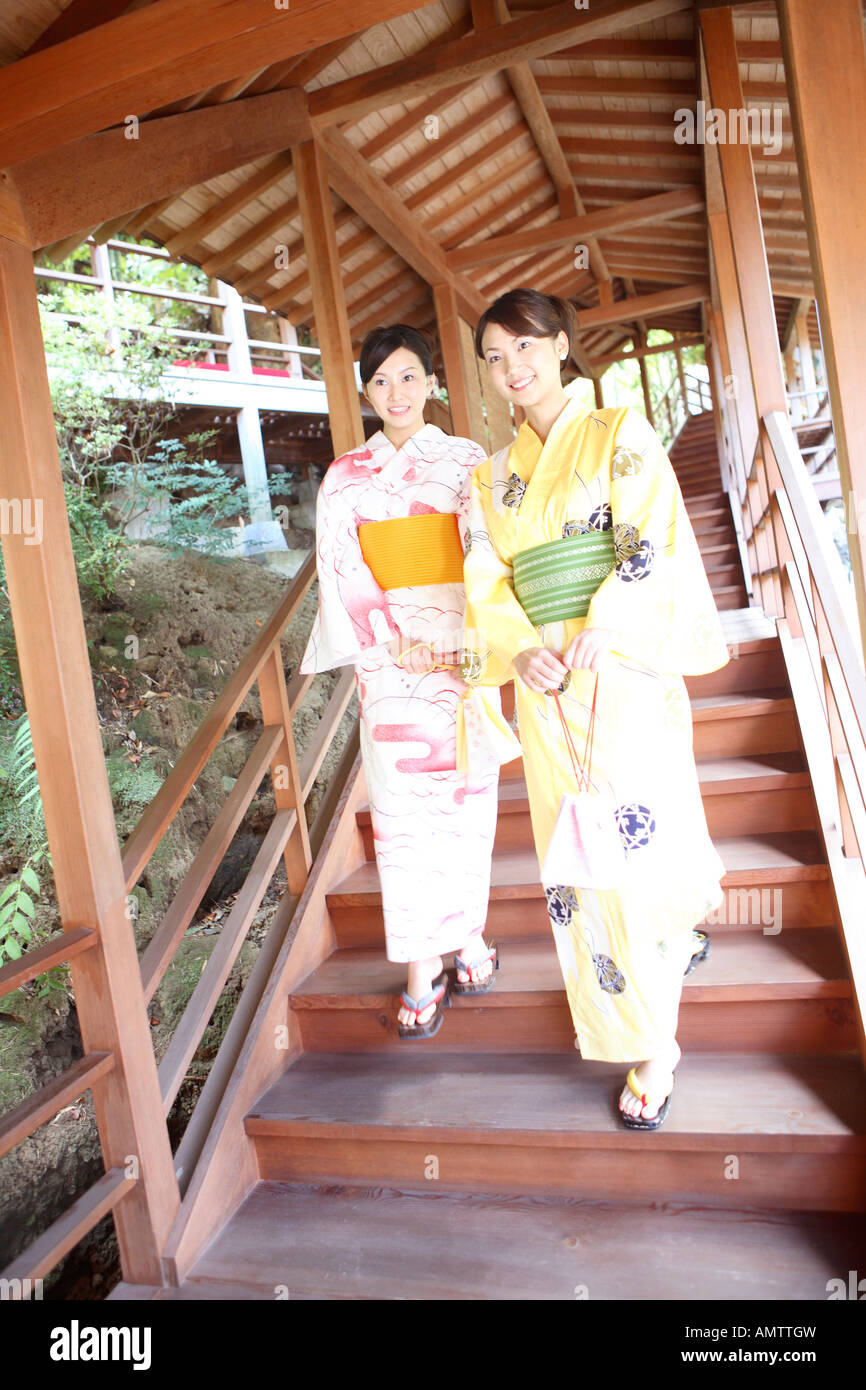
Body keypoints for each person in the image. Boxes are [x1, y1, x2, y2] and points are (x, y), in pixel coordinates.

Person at [462, 289, 729, 1128]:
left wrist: (603, 621)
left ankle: (658, 1044)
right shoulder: (487, 479)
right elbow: (484, 580)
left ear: (562, 344)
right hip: (546, 683)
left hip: (618, 665)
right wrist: (518, 647)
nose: (513, 369)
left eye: (526, 347)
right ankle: (635, 990)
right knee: (577, 855)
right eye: (495, 358)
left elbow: (651, 538)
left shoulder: (620, 432)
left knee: (634, 843)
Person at [300, 324, 502, 1038]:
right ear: (365, 392)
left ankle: (469, 935)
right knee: (401, 818)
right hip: (387, 665)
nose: (398, 392)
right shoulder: (345, 477)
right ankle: (422, 960)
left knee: (467, 804)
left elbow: (485, 554)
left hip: (461, 648)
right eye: (382, 381)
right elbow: (341, 569)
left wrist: (461, 639)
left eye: (410, 376)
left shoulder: (465, 459)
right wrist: (393, 638)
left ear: (432, 384)